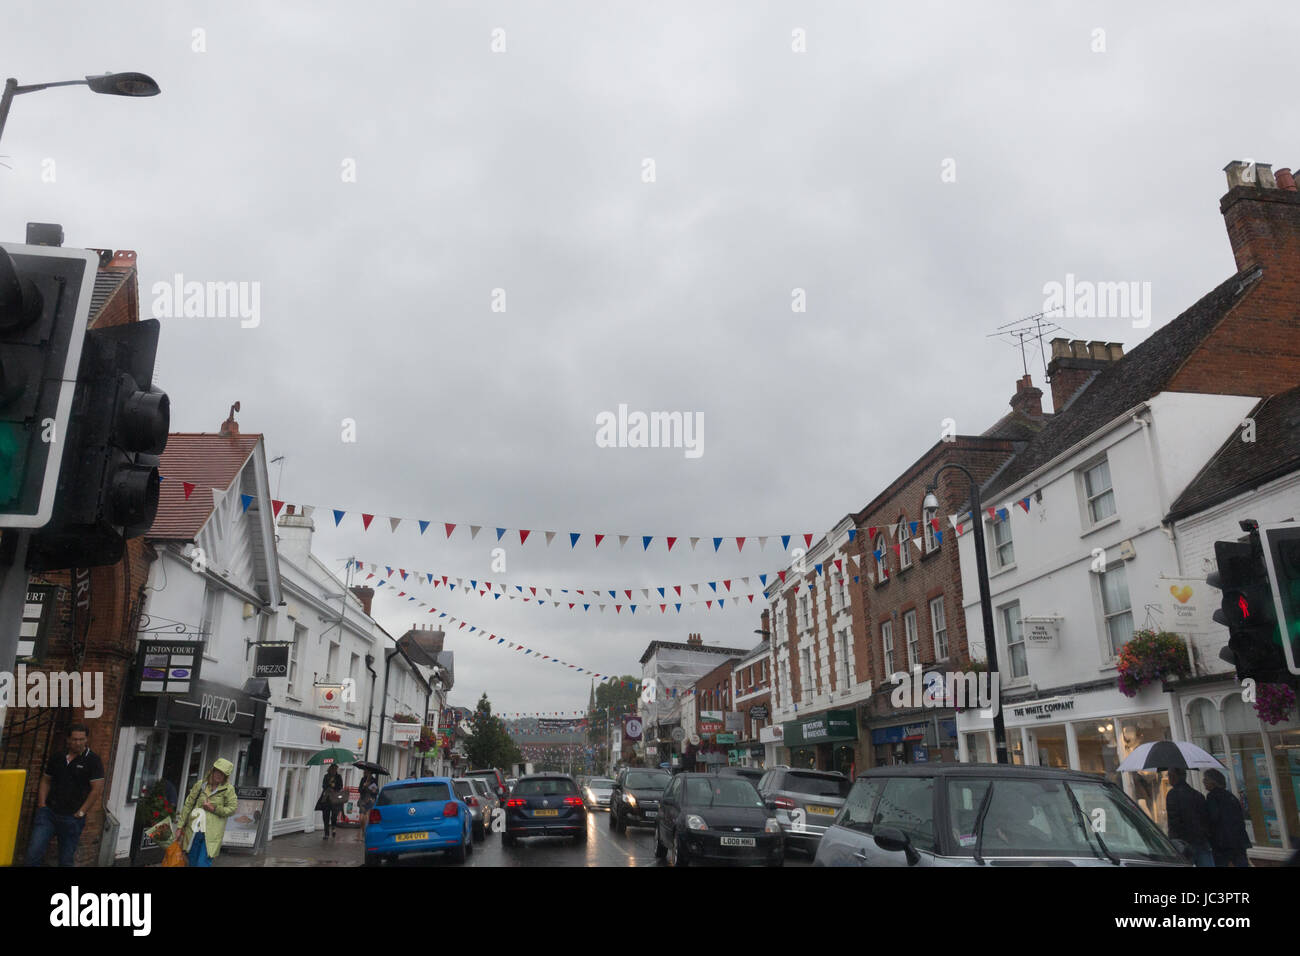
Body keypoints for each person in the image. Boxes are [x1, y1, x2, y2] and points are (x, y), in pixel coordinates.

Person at [24, 723, 105, 867]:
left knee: (66, 859)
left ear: (86, 740)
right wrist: (42, 805)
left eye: (81, 739)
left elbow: (96, 790)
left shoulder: (93, 760)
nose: (78, 743)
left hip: (72, 817)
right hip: (48, 814)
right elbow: (46, 780)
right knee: (33, 854)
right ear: (68, 740)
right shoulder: (58, 757)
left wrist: (81, 812)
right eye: (74, 739)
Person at [177, 757, 238, 867]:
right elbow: (188, 805)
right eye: (217, 771)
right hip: (194, 831)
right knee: (192, 862)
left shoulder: (228, 790)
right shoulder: (200, 785)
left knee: (202, 863)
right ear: (212, 771)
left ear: (226, 776)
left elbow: (232, 809)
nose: (219, 775)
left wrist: (214, 809)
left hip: (212, 834)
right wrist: (180, 826)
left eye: (223, 774)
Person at [1165, 767, 1214, 866]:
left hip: (1183, 842)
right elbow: (1206, 819)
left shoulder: (1172, 795)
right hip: (1200, 840)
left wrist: (1172, 839)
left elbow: (1174, 820)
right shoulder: (1197, 795)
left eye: (1169, 776)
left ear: (1173, 777)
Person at [1204, 769, 1251, 867]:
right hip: (1239, 842)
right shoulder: (1231, 796)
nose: (1203, 781)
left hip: (1223, 845)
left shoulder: (1212, 797)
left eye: (1206, 779)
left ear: (1213, 782)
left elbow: (1214, 819)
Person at [318, 764, 344, 838]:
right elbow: (323, 785)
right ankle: (326, 833)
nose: (334, 770)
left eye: (335, 769)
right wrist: (329, 786)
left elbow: (340, 786)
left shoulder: (338, 777)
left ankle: (333, 827)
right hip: (326, 798)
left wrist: (334, 788)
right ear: (330, 769)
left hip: (335, 798)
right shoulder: (326, 776)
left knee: (334, 816)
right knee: (325, 816)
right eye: (333, 769)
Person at [357, 771, 379, 837]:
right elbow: (359, 790)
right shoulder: (363, 779)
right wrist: (364, 786)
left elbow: (376, 791)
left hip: (370, 800)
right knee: (361, 818)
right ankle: (363, 831)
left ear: (370, 773)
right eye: (364, 772)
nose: (364, 773)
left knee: (367, 817)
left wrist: (372, 789)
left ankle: (366, 832)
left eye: (366, 772)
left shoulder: (374, 780)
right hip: (363, 800)